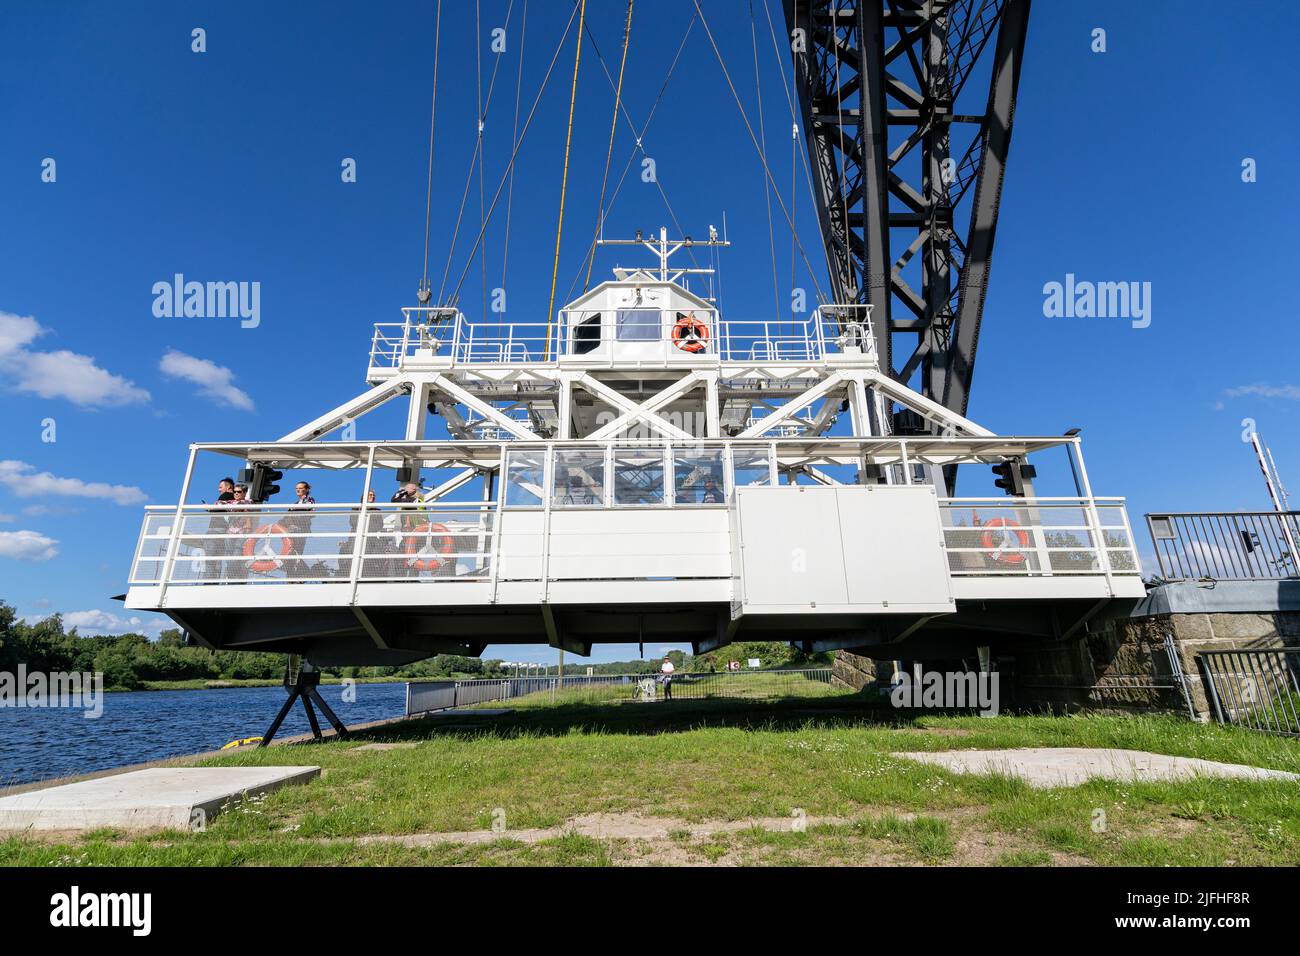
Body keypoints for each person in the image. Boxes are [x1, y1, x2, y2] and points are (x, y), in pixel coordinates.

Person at [203, 478, 237, 580]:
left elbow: (218, 509)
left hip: (216, 530)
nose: (219, 490)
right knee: (218, 560)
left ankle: (209, 582)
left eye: (220, 487)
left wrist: (208, 508)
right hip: (224, 531)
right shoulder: (235, 499)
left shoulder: (225, 496)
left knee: (210, 561)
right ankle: (215, 581)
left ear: (228, 487)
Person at [284, 481, 316, 578]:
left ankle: (304, 573)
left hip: (300, 530)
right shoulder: (296, 503)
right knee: (290, 553)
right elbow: (287, 516)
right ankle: (294, 574)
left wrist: (294, 513)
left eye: (301, 488)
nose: (298, 490)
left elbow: (311, 512)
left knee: (295, 553)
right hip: (291, 530)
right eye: (296, 488)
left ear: (306, 489)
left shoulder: (309, 500)